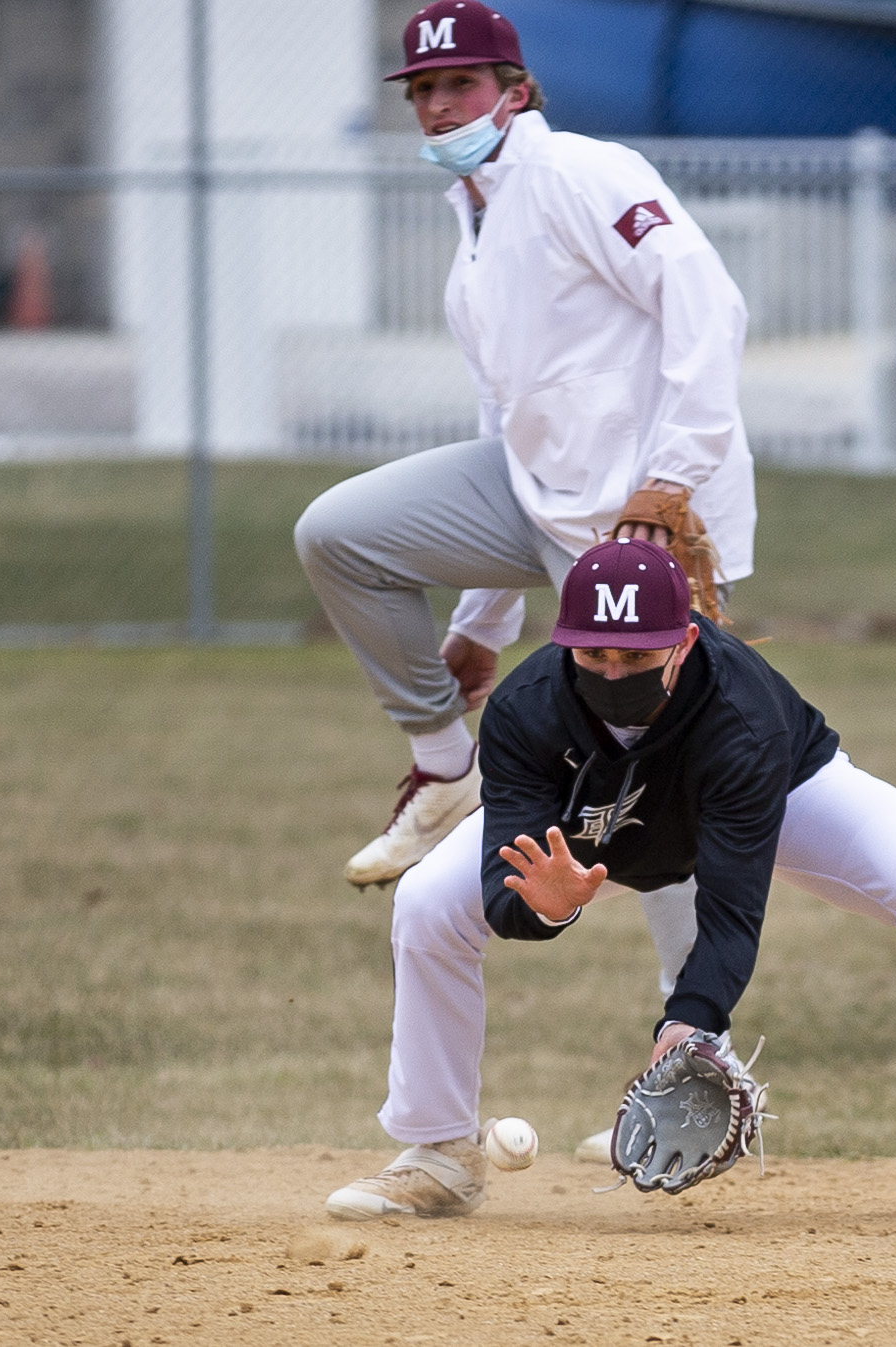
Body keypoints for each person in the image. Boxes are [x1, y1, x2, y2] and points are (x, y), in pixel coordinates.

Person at [324, 539, 896, 1228]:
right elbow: (509, 869)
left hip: (783, 797)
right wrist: (545, 909)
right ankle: (439, 1152)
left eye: (638, 654)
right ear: (560, 642)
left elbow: (728, 899)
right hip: (605, 833)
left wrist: (686, 1024)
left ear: (686, 639)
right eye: (594, 653)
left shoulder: (741, 713)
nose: (614, 672)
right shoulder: (525, 710)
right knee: (427, 904)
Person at [292, 1, 754, 1055]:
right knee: (338, 535)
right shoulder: (473, 230)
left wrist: (667, 486)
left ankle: (697, 1054)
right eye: (423, 91)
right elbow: (510, 426)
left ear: (517, 89)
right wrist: (481, 624)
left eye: (461, 84)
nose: (442, 105)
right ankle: (445, 767)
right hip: (548, 505)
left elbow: (707, 306)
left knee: (659, 798)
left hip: (648, 529)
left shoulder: (581, 175)